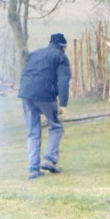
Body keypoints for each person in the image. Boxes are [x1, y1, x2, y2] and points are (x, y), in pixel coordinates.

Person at [18, 33, 72, 180]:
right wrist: (63, 104)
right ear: (63, 47)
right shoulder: (60, 57)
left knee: (33, 131)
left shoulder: (35, 54)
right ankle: (49, 160)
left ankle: (33, 169)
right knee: (55, 126)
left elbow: (24, 74)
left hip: (26, 93)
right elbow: (63, 81)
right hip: (45, 94)